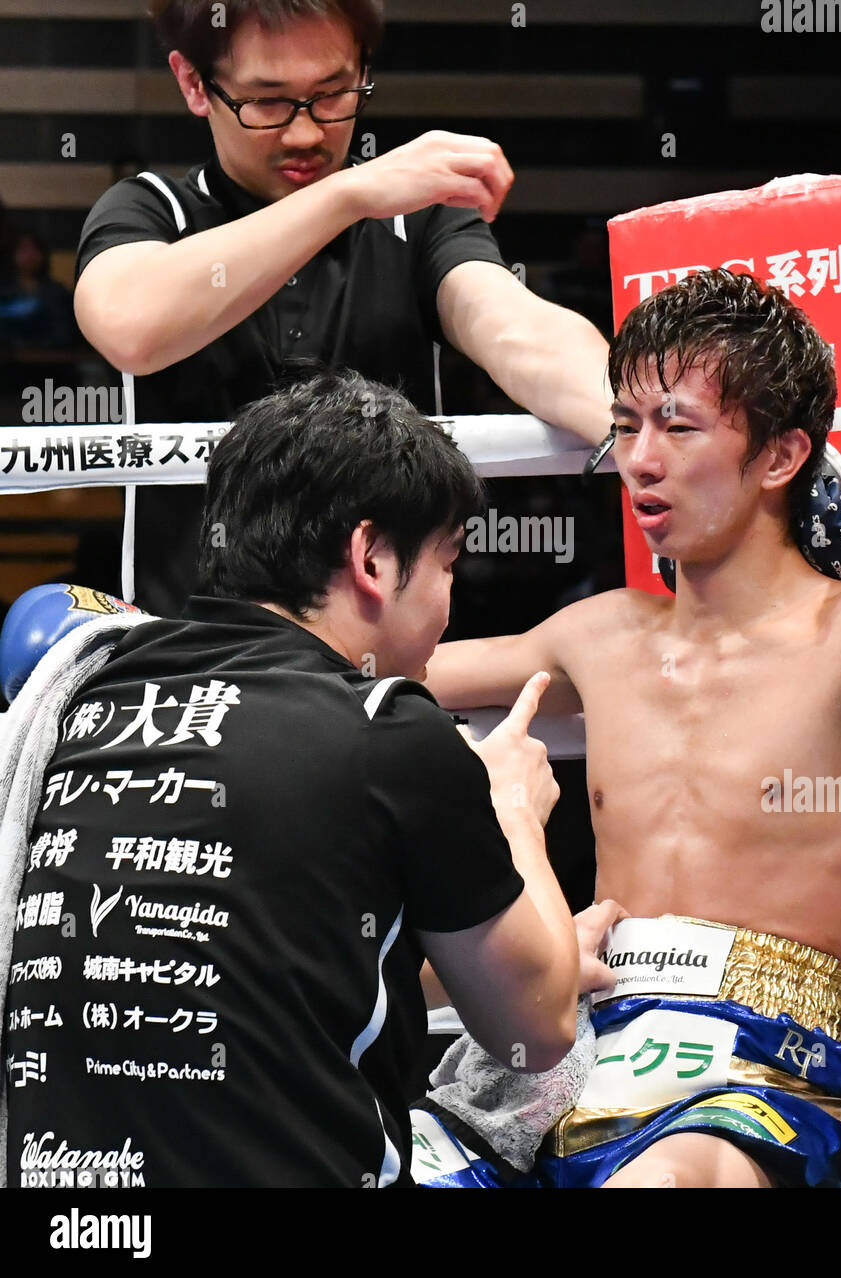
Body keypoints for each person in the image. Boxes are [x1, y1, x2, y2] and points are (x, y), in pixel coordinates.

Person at [417, 268, 841, 1189]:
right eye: (624, 427)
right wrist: (151, 642)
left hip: (756, 1065)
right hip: (573, 1035)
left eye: (676, 425)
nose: (637, 458)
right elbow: (388, 669)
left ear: (781, 457)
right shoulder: (599, 633)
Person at [2, 370, 619, 1188]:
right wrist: (512, 810)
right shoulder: (392, 729)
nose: (448, 600)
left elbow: (285, 968)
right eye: (444, 564)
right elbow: (535, 1030)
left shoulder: (87, 694)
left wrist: (519, 952)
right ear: (370, 558)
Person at [72, 0, 612, 617]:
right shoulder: (153, 210)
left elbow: (515, 327)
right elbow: (130, 326)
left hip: (385, 682)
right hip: (193, 675)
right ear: (194, 83)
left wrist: (636, 423)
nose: (306, 133)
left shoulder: (416, 224)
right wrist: (345, 195)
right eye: (267, 101)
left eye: (334, 93)